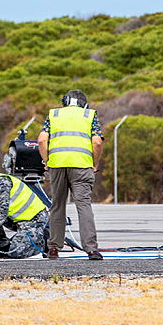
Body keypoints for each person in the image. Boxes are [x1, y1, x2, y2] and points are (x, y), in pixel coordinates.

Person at [37, 89, 103, 260]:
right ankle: (91, 249)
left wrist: (46, 161)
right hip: (82, 165)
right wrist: (95, 163)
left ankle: (53, 248)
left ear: (65, 101)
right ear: (84, 103)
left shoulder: (54, 115)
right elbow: (97, 142)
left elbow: (42, 140)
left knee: (57, 206)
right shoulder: (89, 115)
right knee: (83, 205)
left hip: (57, 165)